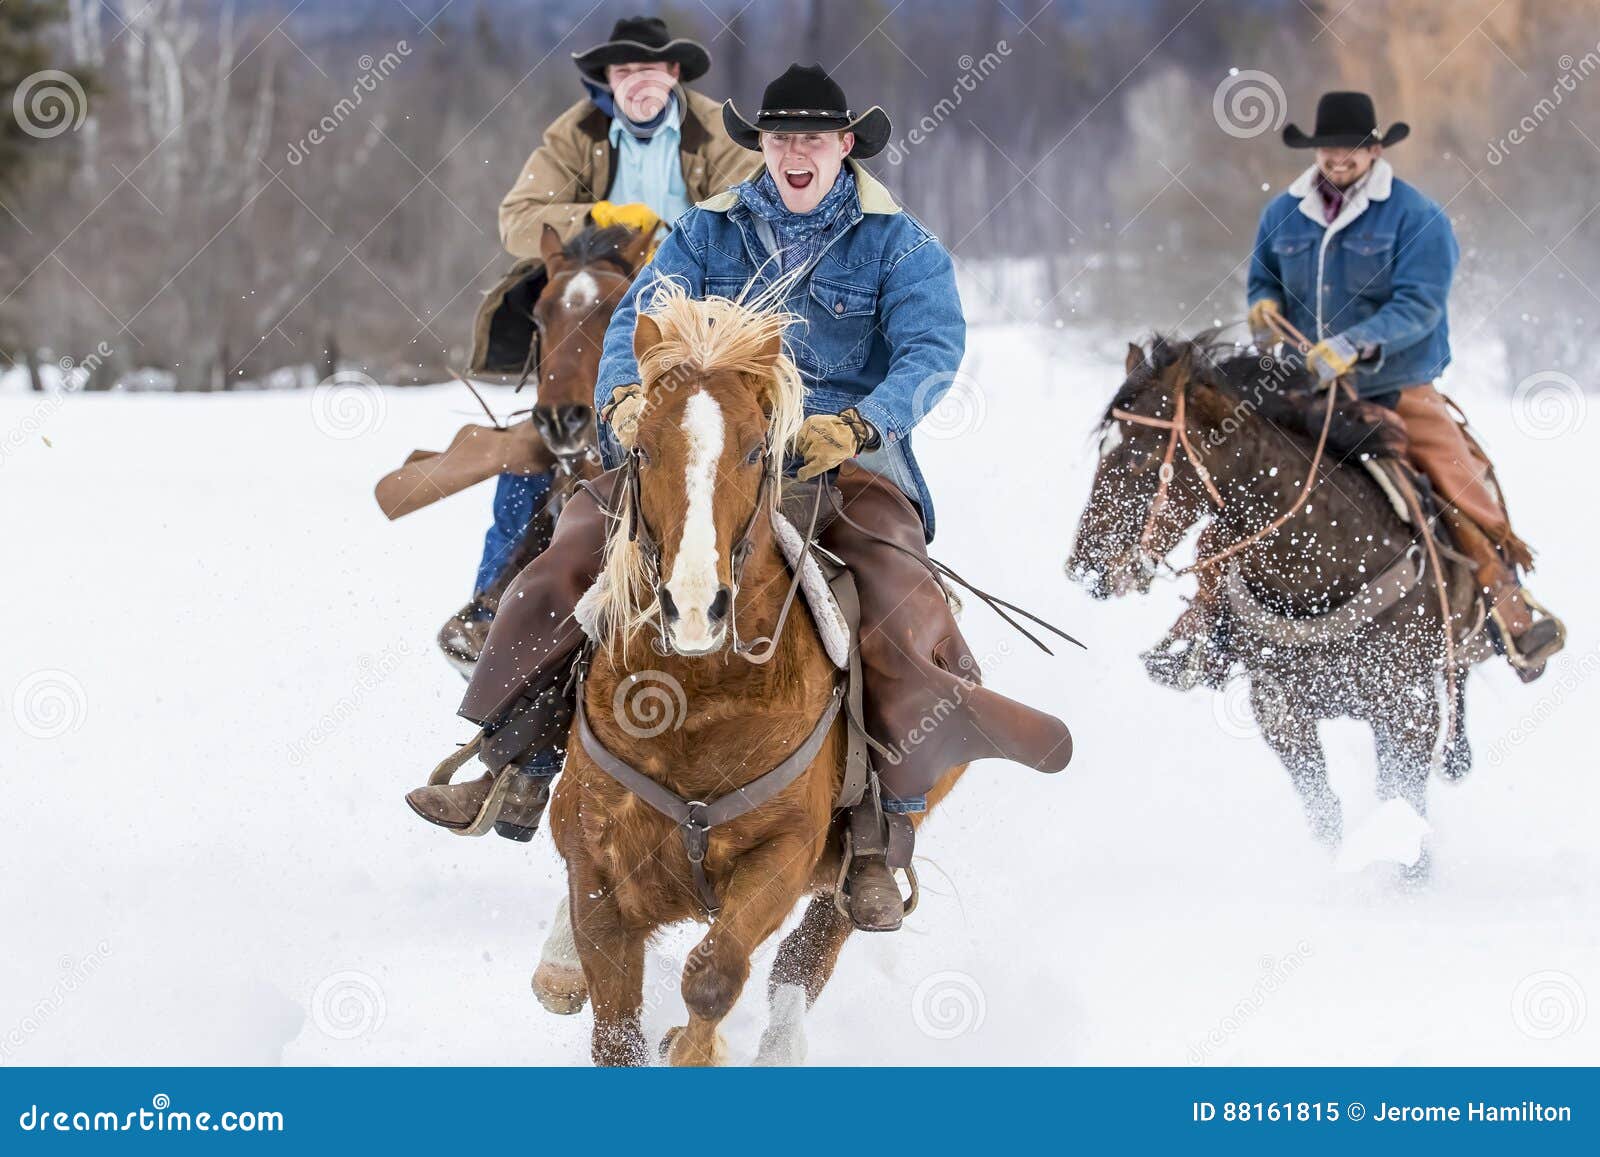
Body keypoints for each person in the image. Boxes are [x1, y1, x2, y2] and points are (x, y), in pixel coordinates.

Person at [407, 64, 1073, 933]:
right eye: (782, 138)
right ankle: (514, 757)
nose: (797, 153)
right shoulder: (706, 232)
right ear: (762, 146)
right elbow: (634, 322)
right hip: (703, 448)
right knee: (567, 553)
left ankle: (878, 829)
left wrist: (863, 424)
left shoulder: (898, 244)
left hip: (842, 461)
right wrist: (622, 400)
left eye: (814, 139)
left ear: (844, 147)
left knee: (899, 611)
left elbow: (931, 351)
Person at [1160, 91, 1565, 687]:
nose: (1338, 158)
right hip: (1301, 389)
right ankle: (1206, 620)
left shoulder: (1416, 216)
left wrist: (1353, 344)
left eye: (1351, 148)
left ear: (1375, 150)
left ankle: (1508, 610)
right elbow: (1262, 275)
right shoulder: (1283, 213)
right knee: (1240, 479)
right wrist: (1262, 304)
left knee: (1459, 486)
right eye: (1329, 147)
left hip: (1393, 386)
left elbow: (1420, 305)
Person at [462, 16, 758, 631]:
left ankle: (747, 584)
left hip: (695, 309)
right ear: (609, 81)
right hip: (595, 310)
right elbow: (517, 219)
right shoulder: (575, 133)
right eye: (624, 72)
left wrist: (680, 241)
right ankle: (492, 606)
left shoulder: (715, 134)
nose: (637, 83)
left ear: (673, 75)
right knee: (536, 446)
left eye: (649, 70)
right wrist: (599, 219)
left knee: (728, 441)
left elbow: (754, 213)